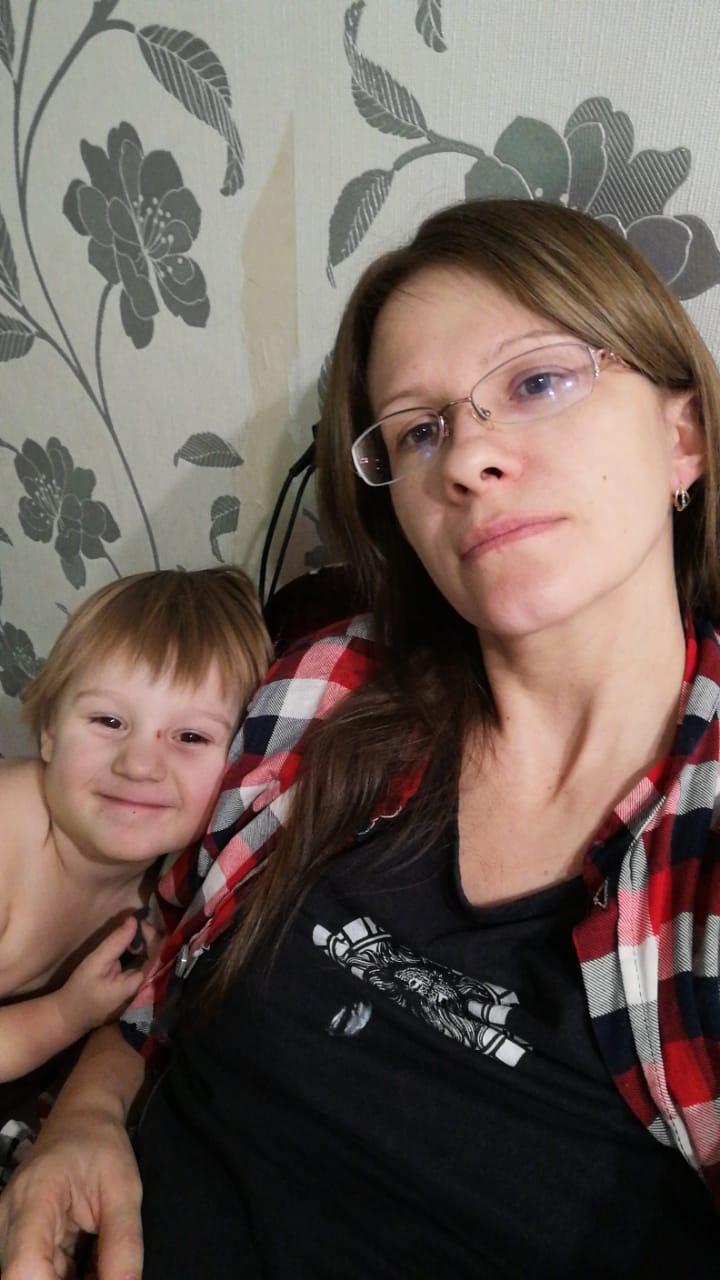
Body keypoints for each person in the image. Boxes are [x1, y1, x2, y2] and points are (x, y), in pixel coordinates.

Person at [1, 197, 720, 1279]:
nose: (467, 458)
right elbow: (163, 977)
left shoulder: (699, 842)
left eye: (537, 382)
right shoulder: (325, 690)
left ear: (683, 437)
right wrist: (87, 1119)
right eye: (420, 430)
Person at [0, 567, 271, 1177]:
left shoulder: (166, 890)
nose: (140, 764)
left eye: (190, 736)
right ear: (49, 734)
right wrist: (64, 1015)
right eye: (109, 721)